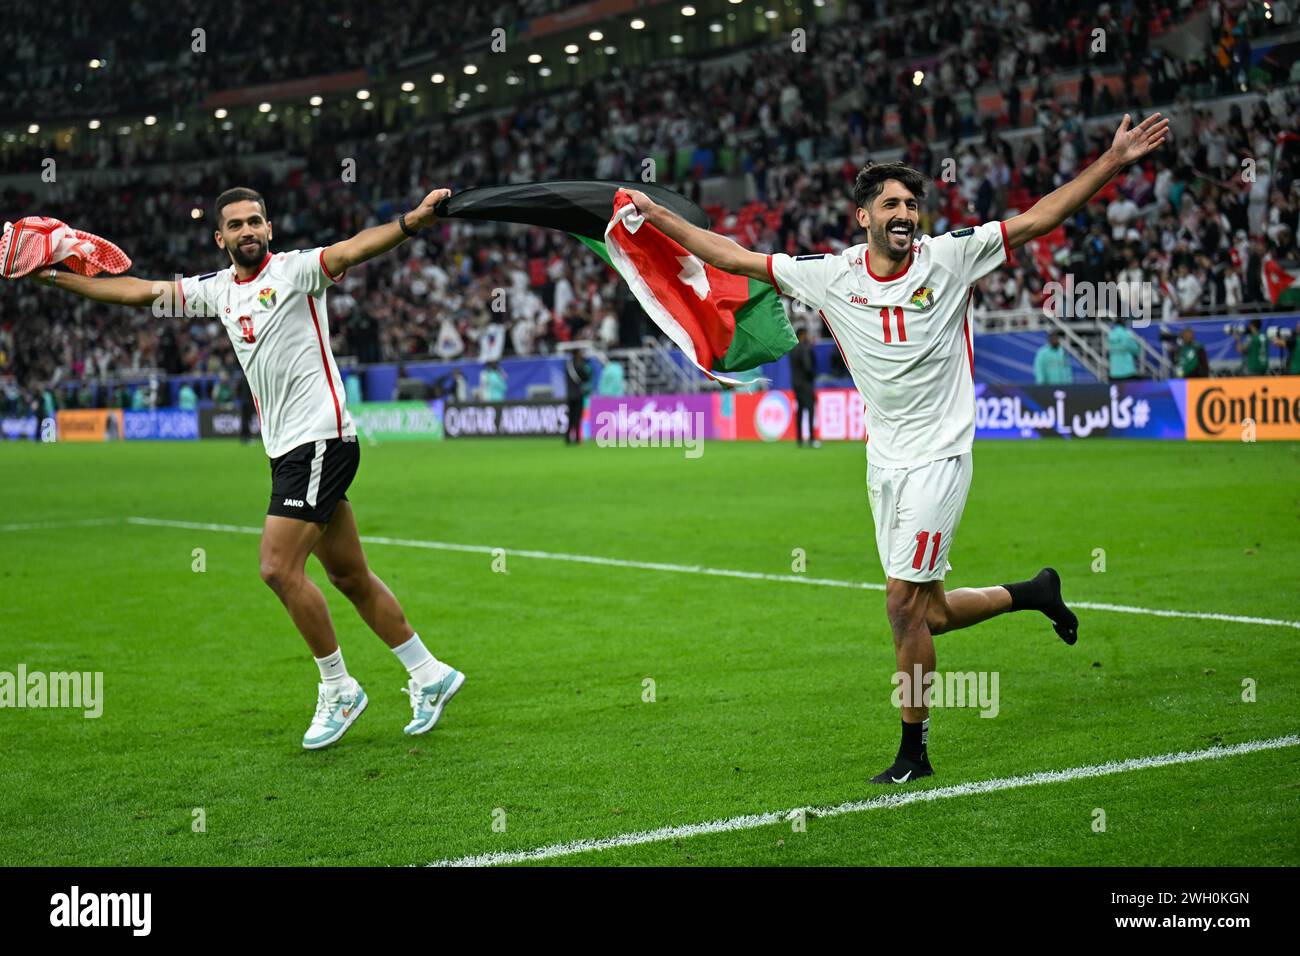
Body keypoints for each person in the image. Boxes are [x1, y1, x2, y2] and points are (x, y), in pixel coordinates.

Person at [617, 111, 1167, 786]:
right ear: (863, 217)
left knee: (900, 607)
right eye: (892, 205)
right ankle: (1035, 592)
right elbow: (730, 255)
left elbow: (1035, 220)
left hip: (941, 454)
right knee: (929, 612)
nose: (905, 213)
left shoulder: (952, 255)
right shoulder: (830, 275)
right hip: (884, 464)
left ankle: (915, 752)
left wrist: (1113, 161)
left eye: (912, 203)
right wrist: (656, 216)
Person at [18, 185, 466, 750]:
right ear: (220, 237)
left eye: (256, 221)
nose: (248, 231)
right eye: (236, 225)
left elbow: (352, 249)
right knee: (348, 575)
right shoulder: (217, 292)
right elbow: (139, 292)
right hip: (289, 453)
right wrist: (53, 277)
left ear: (269, 229)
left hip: (320, 441)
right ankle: (430, 674)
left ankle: (339, 689)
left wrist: (413, 221)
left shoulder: (299, 272)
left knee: (277, 568)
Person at [790, 326, 820, 447]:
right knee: (811, 410)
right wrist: (812, 376)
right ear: (802, 335)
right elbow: (808, 367)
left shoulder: (792, 349)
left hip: (796, 384)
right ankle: (812, 439)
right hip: (806, 384)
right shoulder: (805, 348)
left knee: (800, 411)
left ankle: (799, 440)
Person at [564, 348, 592, 444]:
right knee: (577, 417)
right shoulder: (580, 366)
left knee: (571, 417)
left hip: (569, 395)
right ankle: (576, 438)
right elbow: (586, 377)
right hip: (578, 395)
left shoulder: (568, 366)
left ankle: (567, 437)